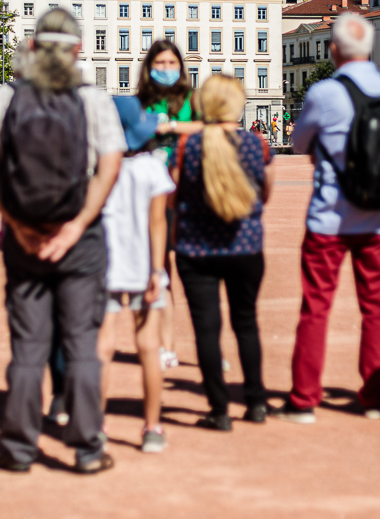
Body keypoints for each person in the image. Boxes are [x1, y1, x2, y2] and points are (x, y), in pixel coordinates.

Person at [0, 8, 124, 474]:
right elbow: (109, 167)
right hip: (79, 239)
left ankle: (19, 448)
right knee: (81, 344)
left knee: (28, 347)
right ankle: (86, 447)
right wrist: (77, 226)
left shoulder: (5, 96)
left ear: (32, 46)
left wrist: (16, 224)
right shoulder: (92, 99)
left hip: (24, 238)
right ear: (79, 49)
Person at [280, 12, 380, 423]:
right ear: (369, 47)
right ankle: (375, 397)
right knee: (376, 308)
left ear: (333, 50)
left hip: (330, 216)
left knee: (316, 307)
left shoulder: (324, 92)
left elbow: (299, 145)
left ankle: (304, 398)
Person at [173, 74, 272, 431]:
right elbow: (264, 192)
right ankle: (257, 401)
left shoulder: (190, 145)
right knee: (246, 323)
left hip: (196, 248)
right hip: (244, 245)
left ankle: (219, 410)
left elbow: (176, 193)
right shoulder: (256, 144)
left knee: (207, 330)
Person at [97, 97, 175, 453]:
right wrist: (157, 268)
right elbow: (157, 222)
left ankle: (95, 425)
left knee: (102, 346)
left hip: (105, 264)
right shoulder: (152, 168)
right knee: (148, 346)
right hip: (145, 264)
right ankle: (152, 427)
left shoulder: (99, 167)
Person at [136, 39, 204, 371]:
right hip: (149, 194)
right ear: (149, 67)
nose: (165, 69)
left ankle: (193, 345)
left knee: (190, 272)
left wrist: (173, 126)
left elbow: (209, 126)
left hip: (185, 191)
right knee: (156, 270)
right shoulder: (141, 102)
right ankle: (162, 345)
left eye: (170, 63)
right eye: (159, 64)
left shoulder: (190, 99)